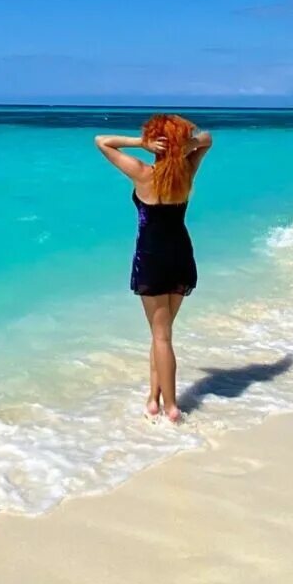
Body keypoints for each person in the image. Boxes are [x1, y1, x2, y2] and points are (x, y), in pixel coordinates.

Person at [92, 114, 214, 421]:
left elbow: (101, 141)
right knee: (161, 333)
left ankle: (171, 408)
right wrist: (182, 147)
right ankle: (152, 399)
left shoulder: (143, 173)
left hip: (152, 259)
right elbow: (208, 138)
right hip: (181, 256)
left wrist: (139, 144)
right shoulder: (186, 172)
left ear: (154, 141)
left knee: (162, 337)